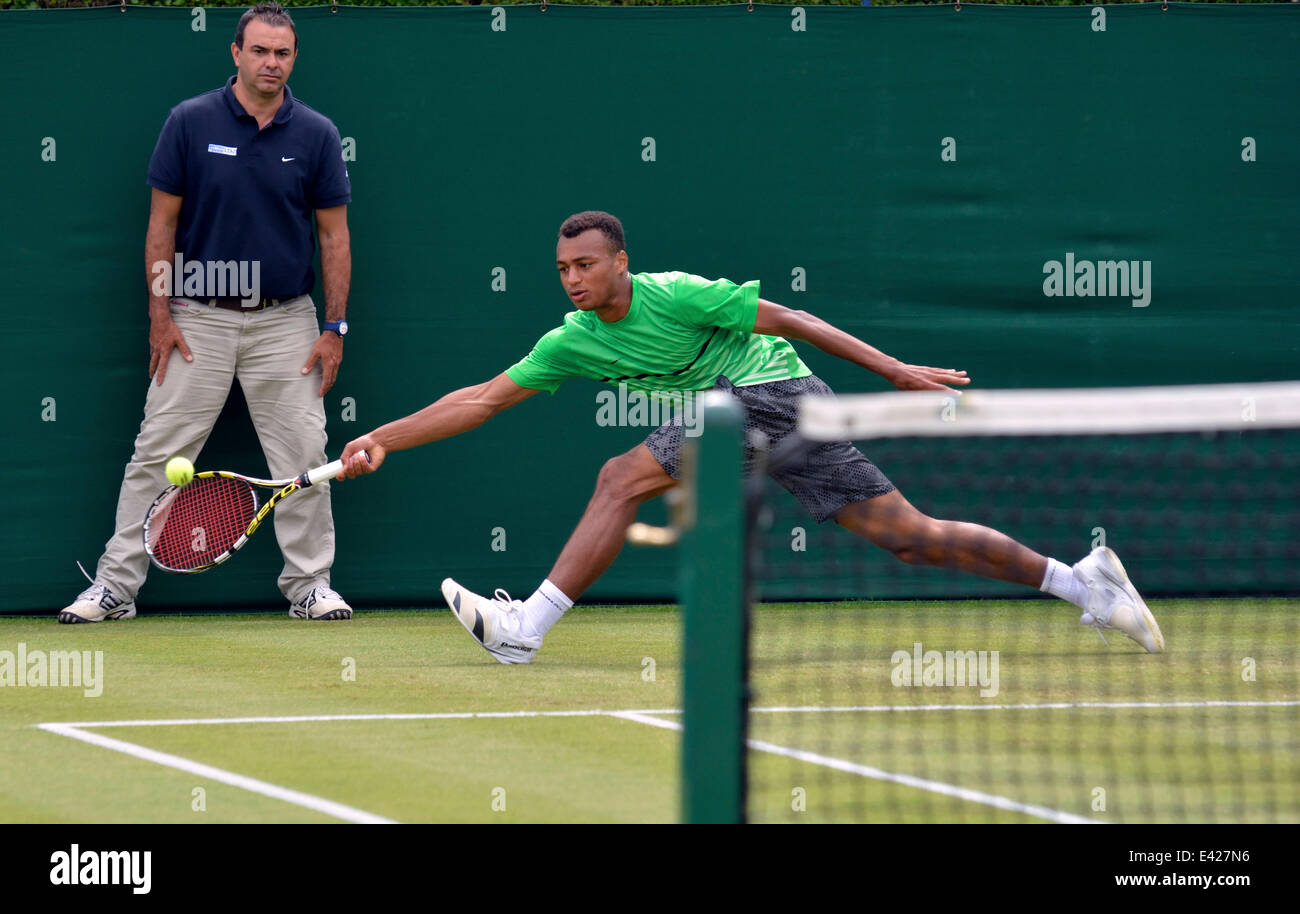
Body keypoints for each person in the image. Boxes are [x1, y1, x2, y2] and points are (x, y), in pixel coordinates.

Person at [337, 211, 1164, 661]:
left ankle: (526, 631)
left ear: (621, 262)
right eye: (563, 269)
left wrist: (898, 370)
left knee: (621, 476)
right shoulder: (572, 339)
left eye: (586, 265)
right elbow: (481, 399)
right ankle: (1082, 580)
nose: (574, 278)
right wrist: (380, 436)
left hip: (775, 388)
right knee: (911, 539)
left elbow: (794, 318)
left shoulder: (679, 293)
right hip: (741, 413)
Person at [60, 3, 355, 623]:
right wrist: (161, 313)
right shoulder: (189, 121)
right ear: (236, 53)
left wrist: (334, 326)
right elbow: (161, 225)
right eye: (260, 51)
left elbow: (334, 238)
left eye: (283, 53)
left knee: (305, 456)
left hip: (287, 322)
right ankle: (115, 588)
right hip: (197, 315)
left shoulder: (318, 134)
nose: (271, 63)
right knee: (157, 450)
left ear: (293, 58)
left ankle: (310, 587)